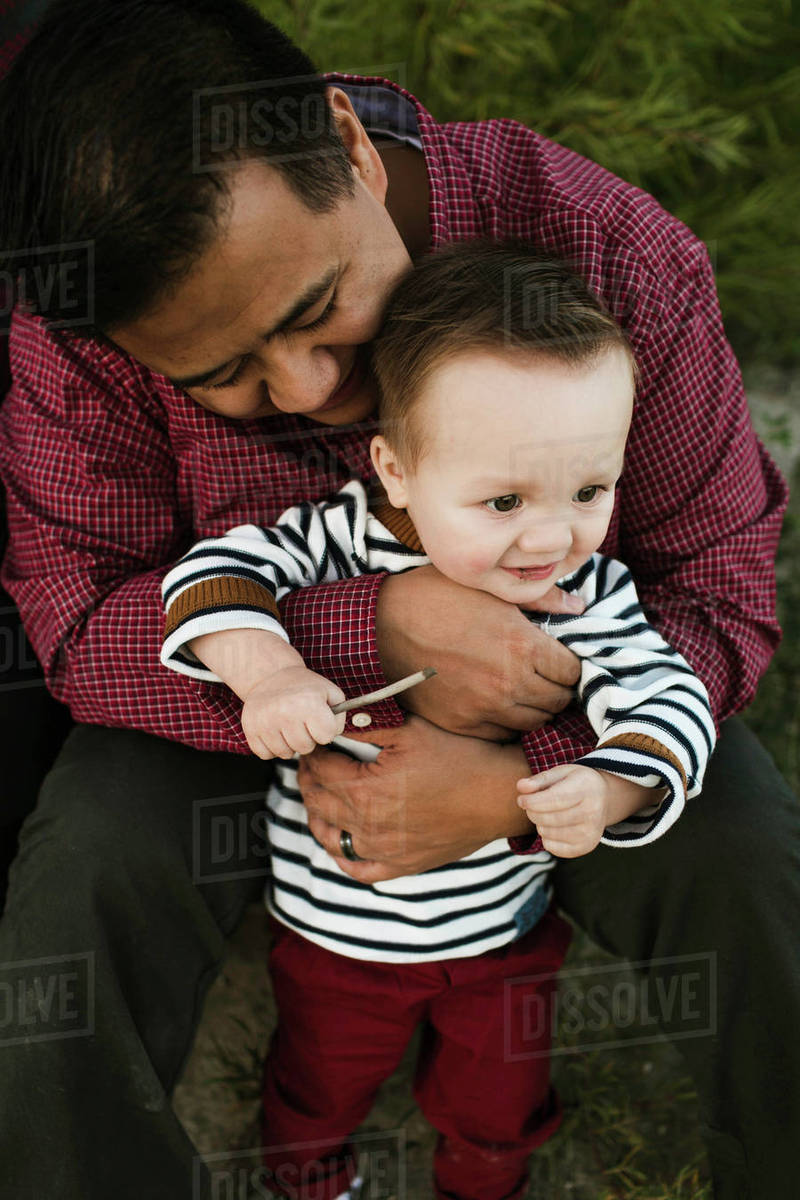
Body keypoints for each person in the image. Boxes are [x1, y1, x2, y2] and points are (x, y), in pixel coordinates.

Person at [0, 1, 793, 1197]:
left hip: (570, 700)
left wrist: (521, 780)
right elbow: (75, 612)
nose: (312, 390)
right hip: (229, 699)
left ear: (346, 144)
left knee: (750, 866)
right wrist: (365, 624)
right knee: (78, 887)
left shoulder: (606, 252)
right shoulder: (80, 326)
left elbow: (718, 585)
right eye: (222, 377)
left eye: (315, 311)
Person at [158, 242, 717, 1200]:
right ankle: (312, 1178)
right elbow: (210, 576)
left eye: (591, 490)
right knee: (315, 1085)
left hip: (503, 936)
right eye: (503, 500)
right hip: (333, 938)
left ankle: (483, 1181)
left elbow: (673, 698)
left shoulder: (584, 593)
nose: (549, 537)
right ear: (398, 469)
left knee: (497, 1102)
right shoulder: (339, 537)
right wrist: (271, 671)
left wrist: (613, 780)